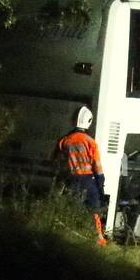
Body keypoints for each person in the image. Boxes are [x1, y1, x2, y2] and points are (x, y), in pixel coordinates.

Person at [56, 105, 108, 246]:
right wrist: (101, 185)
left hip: (71, 179)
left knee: (71, 207)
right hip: (88, 181)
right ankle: (99, 238)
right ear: (89, 121)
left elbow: (56, 162)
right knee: (94, 209)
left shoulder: (64, 141)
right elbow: (97, 167)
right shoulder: (91, 143)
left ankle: (68, 235)